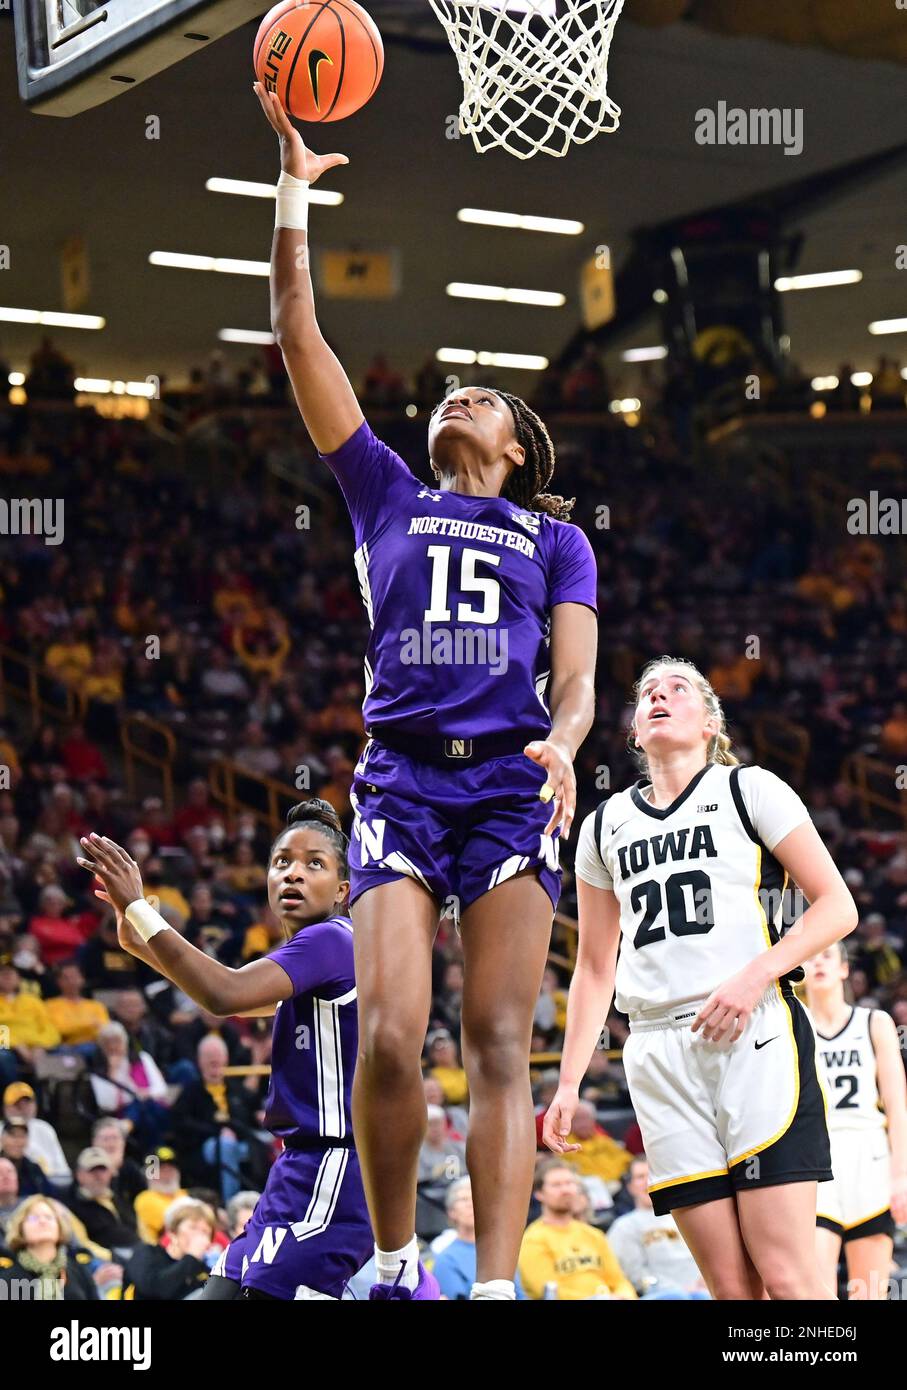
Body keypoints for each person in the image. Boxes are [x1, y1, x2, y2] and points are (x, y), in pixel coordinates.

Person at [254, 81, 598, 1302]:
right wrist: (293, 190)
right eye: (452, 387)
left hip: (510, 788)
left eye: (487, 397)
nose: (460, 392)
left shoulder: (557, 542)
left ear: (517, 447)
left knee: (501, 1042)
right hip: (399, 783)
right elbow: (300, 334)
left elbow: (575, 682)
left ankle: (495, 1286)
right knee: (394, 1035)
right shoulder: (383, 491)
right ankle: (396, 1263)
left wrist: (562, 745)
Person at [547, 656, 858, 1300]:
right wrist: (569, 1081)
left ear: (712, 722)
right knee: (729, 1287)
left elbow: (837, 905)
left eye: (678, 689)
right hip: (657, 1049)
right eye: (647, 693)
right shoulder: (604, 825)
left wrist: (755, 977)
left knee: (788, 1277)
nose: (659, 697)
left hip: (755, 1033)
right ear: (634, 729)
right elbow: (595, 966)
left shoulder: (752, 789)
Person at [77, 799, 372, 1300]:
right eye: (282, 863)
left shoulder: (331, 941)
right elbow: (216, 989)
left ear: (344, 890)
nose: (293, 875)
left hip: (335, 1174)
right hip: (294, 1176)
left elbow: (223, 993)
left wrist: (141, 909)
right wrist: (135, 936)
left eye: (314, 864)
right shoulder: (307, 963)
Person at [803, 943, 907, 1300]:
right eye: (811, 956)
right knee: (815, 1292)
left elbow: (897, 1105)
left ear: (845, 969)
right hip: (816, 1163)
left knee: (870, 1293)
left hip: (870, 1159)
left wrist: (901, 1175)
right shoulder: (794, 1027)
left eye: (828, 956)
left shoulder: (874, 1022)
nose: (819, 963)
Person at [518, 1161, 636, 1300]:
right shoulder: (533, 1239)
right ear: (539, 1194)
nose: (565, 1190)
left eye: (569, 1183)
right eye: (556, 1185)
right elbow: (547, 1292)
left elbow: (619, 1280)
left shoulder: (593, 1234)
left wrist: (625, 1296)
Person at [168, 1034, 262, 1200]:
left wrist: (261, 1116)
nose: (214, 1061)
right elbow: (180, 1122)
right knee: (225, 1145)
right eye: (208, 1057)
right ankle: (231, 1201)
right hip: (206, 1145)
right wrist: (216, 1131)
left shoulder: (236, 1089)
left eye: (217, 1056)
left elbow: (252, 1112)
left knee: (268, 1143)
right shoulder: (191, 1091)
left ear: (225, 1059)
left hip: (240, 1142)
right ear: (199, 1061)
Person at [607, 1157, 709, 1298]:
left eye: (651, 1174)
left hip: (703, 1289)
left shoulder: (687, 1215)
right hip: (662, 1294)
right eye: (640, 1177)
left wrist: (706, 1281)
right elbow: (635, 1275)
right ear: (630, 1187)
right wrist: (678, 1290)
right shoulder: (624, 1226)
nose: (647, 1181)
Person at [0, 1195, 98, 1301]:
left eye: (49, 1217)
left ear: (59, 1227)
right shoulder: (8, 1278)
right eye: (33, 1218)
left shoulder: (79, 1271)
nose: (42, 1221)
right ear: (20, 1228)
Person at [122, 1196, 215, 1301]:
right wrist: (191, 1257)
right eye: (193, 1227)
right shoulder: (147, 1253)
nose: (198, 1235)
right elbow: (155, 1289)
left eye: (205, 1232)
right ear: (172, 1233)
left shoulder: (205, 1271)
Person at [64, 1146, 139, 1258]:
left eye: (102, 1169)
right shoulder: (71, 1207)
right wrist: (113, 1258)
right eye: (92, 1170)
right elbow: (82, 1244)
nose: (98, 1176)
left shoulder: (117, 1199)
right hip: (106, 1263)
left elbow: (139, 1229)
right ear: (79, 1175)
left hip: (137, 1252)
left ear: (110, 1173)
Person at [2, 1082, 70, 1189]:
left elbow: (62, 1171)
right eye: (17, 1104)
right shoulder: (1, 1130)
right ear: (6, 1108)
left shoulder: (45, 1129)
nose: (23, 1109)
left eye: (27, 1103)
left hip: (46, 1184)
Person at [133, 1146, 187, 1244]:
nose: (167, 1175)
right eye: (161, 1170)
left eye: (170, 1169)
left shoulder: (185, 1194)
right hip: (160, 1251)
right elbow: (175, 1223)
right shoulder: (145, 1199)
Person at [0, 1117, 51, 1197]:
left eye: (22, 1136)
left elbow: (50, 1197)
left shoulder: (34, 1169)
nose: (17, 1141)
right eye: (13, 1136)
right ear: (2, 1139)